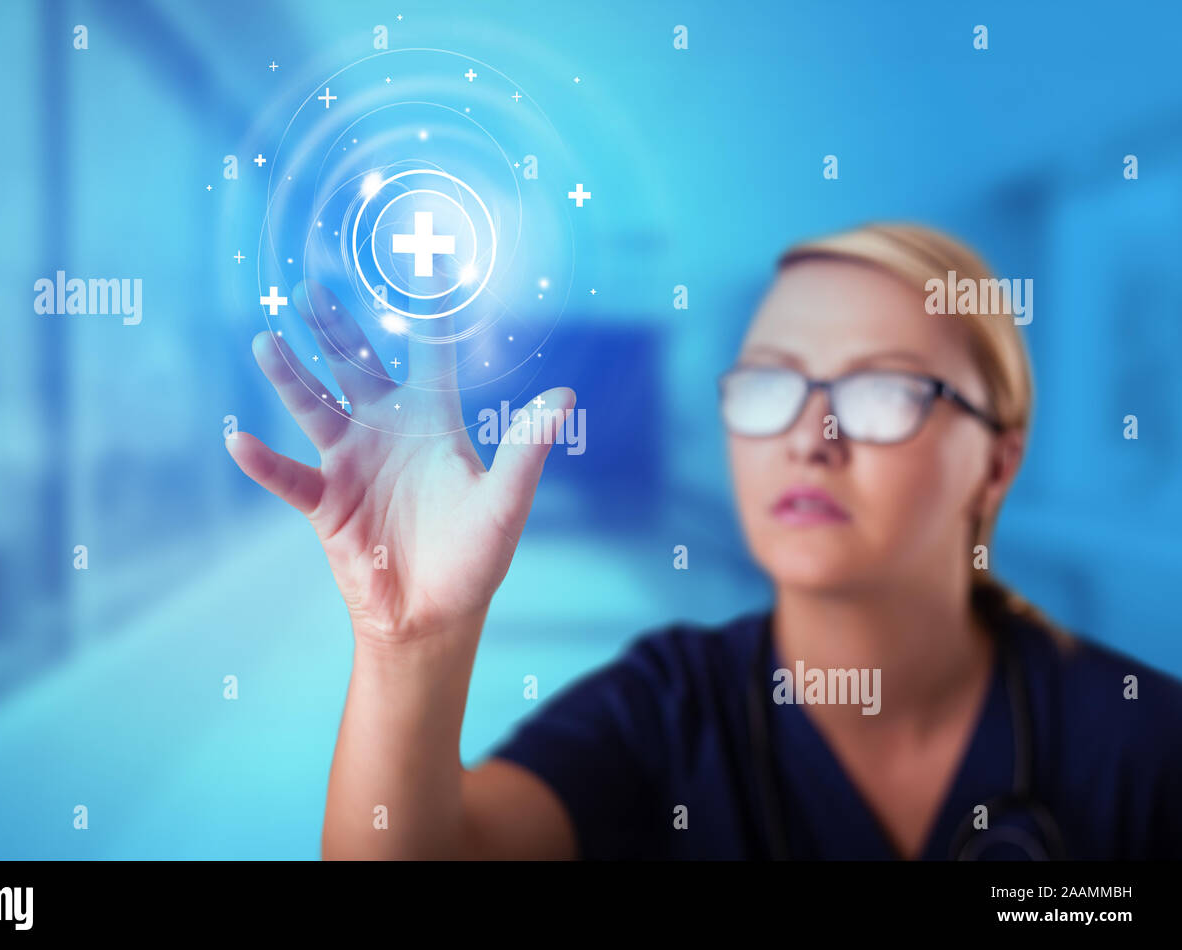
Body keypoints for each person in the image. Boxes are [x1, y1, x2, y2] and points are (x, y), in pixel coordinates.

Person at [226, 223, 1182, 860]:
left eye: (883, 391)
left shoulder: (1141, 747)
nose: (810, 437)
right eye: (770, 384)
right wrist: (412, 644)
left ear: (997, 463)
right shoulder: (666, 710)